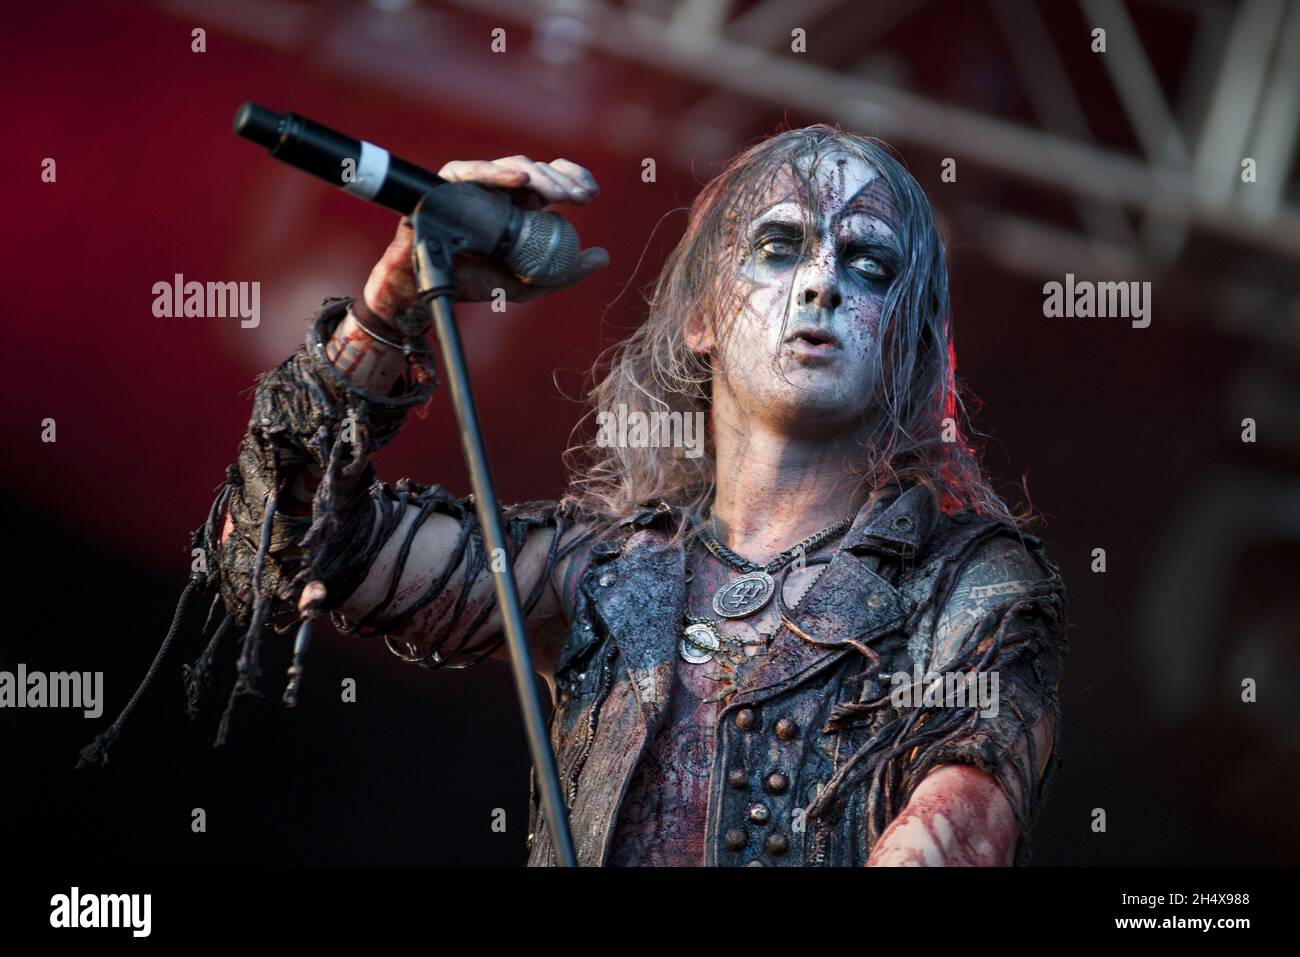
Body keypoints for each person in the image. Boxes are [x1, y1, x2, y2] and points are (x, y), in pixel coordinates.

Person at [83, 125, 1069, 867]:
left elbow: (962, 823)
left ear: (905, 343)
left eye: (868, 264)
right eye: (778, 247)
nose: (819, 282)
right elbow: (281, 544)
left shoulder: (969, 582)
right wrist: (393, 296)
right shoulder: (607, 573)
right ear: (699, 318)